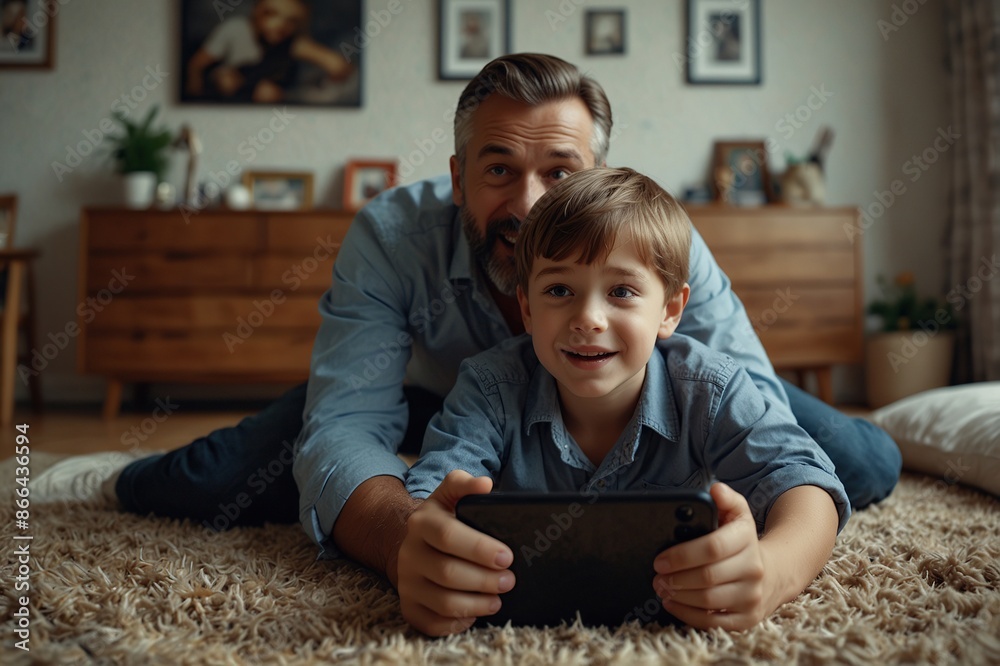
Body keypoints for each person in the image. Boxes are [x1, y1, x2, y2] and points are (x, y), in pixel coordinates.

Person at [35, 53, 899, 630]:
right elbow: (348, 428)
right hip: (425, 407)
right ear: (457, 177)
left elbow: (747, 398)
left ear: (598, 178)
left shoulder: (660, 242)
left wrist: (770, 568)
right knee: (232, 476)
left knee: (856, 464)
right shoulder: (392, 236)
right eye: (498, 170)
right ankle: (114, 473)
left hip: (641, 396)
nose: (527, 204)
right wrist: (408, 541)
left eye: (559, 172)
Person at [400, 166, 849, 635]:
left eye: (621, 291)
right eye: (559, 290)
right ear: (527, 309)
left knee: (866, 461)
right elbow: (427, 502)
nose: (588, 318)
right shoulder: (488, 387)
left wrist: (774, 571)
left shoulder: (710, 388)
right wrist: (427, 552)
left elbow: (802, 480)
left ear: (670, 311)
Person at [184, 0, 352, 103]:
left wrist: (287, 95)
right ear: (257, 11)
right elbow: (196, 67)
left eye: (292, 20)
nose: (280, 25)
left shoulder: (293, 43)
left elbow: (338, 66)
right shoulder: (236, 29)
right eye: (272, 14)